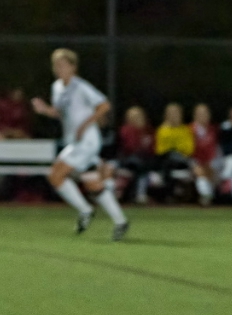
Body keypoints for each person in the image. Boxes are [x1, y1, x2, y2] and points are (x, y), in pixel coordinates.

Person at [31, 49, 129, 240]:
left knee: (56, 175)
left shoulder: (81, 86)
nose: (58, 69)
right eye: (56, 65)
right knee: (92, 182)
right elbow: (61, 113)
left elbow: (104, 106)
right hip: (74, 142)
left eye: (63, 65)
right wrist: (44, 110)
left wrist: (85, 124)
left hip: (88, 141)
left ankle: (85, 210)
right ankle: (120, 221)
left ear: (73, 67)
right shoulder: (57, 87)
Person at [154, 103, 194, 200]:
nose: (174, 116)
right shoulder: (162, 130)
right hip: (166, 160)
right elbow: (160, 150)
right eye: (171, 113)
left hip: (182, 160)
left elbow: (189, 148)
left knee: (173, 157)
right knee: (168, 160)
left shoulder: (185, 130)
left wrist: (174, 148)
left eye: (176, 113)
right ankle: (168, 193)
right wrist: (176, 147)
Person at [117, 106, 154, 204]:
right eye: (133, 116)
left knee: (145, 164)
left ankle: (141, 194)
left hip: (145, 160)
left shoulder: (147, 130)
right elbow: (130, 147)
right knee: (139, 164)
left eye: (138, 116)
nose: (137, 119)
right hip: (127, 159)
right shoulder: (126, 130)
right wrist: (137, 131)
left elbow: (152, 148)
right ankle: (139, 194)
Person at [190, 103, 218, 206]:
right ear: (195, 116)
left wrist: (209, 164)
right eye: (200, 114)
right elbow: (189, 151)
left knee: (214, 170)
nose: (203, 116)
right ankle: (206, 196)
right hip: (194, 161)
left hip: (210, 161)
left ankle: (212, 196)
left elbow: (214, 149)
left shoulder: (213, 130)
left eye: (205, 114)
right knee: (200, 174)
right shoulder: (189, 129)